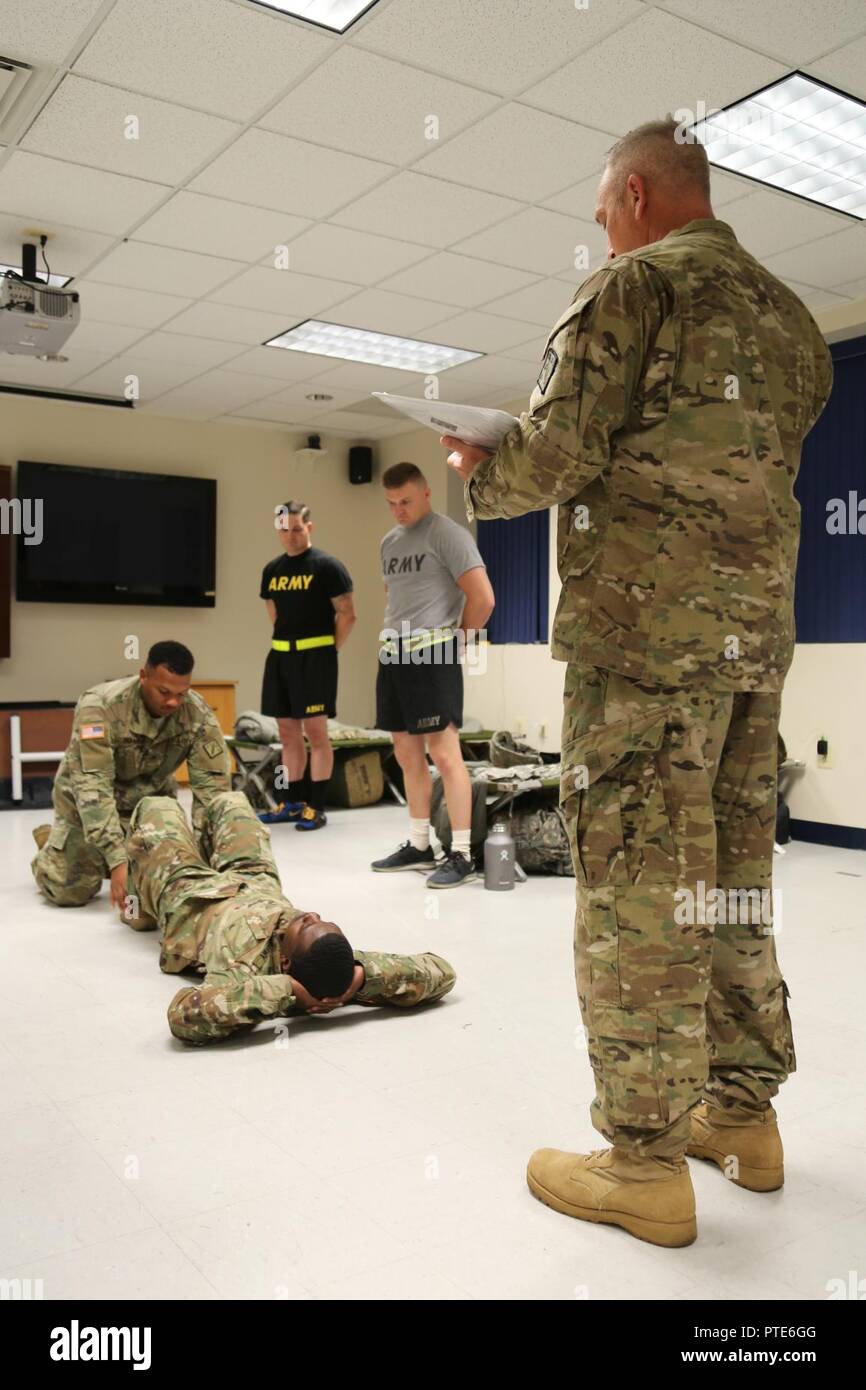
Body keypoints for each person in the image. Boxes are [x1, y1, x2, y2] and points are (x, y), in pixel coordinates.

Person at [442, 117, 833, 1246]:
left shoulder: (630, 288)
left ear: (630, 192)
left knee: (636, 892)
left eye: (603, 206)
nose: (601, 225)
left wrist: (483, 468)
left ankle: (643, 1160)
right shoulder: (793, 321)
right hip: (750, 648)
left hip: (641, 644)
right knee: (729, 882)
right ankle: (741, 1117)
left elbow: (559, 451)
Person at [125, 789, 456, 1044]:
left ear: (284, 964)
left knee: (158, 807)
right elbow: (442, 973)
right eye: (316, 918)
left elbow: (184, 1016)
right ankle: (200, 842)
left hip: (191, 896)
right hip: (255, 880)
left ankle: (136, 899)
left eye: (304, 924)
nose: (310, 914)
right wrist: (361, 977)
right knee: (231, 801)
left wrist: (287, 990)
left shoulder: (245, 969)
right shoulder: (333, 960)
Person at [31, 640, 231, 914]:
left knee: (164, 883)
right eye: (164, 691)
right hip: (85, 804)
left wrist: (212, 858)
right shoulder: (100, 706)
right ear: (143, 676)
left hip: (149, 806)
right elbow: (92, 787)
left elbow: (213, 791)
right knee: (71, 891)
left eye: (181, 693)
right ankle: (52, 847)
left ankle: (87, 851)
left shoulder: (197, 714)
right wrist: (117, 860)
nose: (173, 701)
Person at [371, 462, 495, 889]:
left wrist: (458, 643)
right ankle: (420, 844)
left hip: (433, 653)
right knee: (406, 755)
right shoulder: (388, 542)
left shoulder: (448, 534)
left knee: (445, 754)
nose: (399, 510)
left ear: (425, 493)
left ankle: (462, 854)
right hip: (393, 654)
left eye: (405, 501)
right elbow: (396, 598)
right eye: (390, 504)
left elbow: (483, 598)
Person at [258, 500, 356, 832]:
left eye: (297, 529)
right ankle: (290, 801)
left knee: (316, 733)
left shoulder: (328, 566)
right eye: (284, 530)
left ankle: (316, 806)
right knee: (287, 733)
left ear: (309, 528)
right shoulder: (272, 570)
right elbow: (274, 613)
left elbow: (347, 614)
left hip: (316, 659)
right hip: (280, 658)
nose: (290, 536)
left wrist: (328, 651)